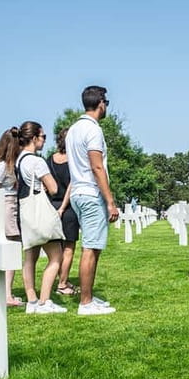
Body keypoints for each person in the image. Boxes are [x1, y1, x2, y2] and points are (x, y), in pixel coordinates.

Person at [65, 85, 119, 315]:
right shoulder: (93, 130)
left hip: (78, 191)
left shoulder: (73, 129)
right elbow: (97, 166)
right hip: (90, 192)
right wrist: (110, 201)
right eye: (106, 103)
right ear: (101, 103)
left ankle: (89, 297)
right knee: (90, 248)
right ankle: (85, 303)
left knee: (93, 247)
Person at [15, 120, 67, 314]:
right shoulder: (37, 161)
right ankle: (45, 301)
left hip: (26, 213)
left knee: (30, 257)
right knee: (56, 257)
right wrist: (46, 186)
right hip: (40, 213)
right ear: (34, 138)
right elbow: (53, 188)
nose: (44, 140)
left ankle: (32, 301)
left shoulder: (20, 160)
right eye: (43, 136)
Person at [0, 127, 24, 307]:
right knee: (11, 250)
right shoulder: (2, 167)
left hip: (9, 206)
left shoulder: (3, 165)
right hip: (7, 207)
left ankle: (5, 292)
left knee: (12, 249)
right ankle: (7, 295)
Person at [46, 128, 80, 296]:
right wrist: (63, 207)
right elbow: (71, 186)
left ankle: (57, 281)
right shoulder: (74, 160)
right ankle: (62, 283)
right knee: (68, 248)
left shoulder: (49, 160)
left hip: (51, 205)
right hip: (67, 209)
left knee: (56, 248)